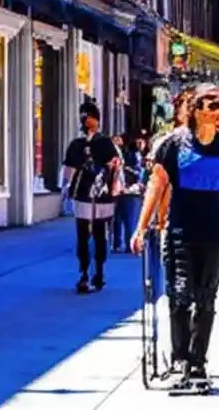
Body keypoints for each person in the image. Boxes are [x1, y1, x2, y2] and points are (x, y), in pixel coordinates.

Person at [131, 83, 219, 386]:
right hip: (181, 233)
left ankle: (198, 362)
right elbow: (156, 186)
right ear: (195, 110)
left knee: (206, 299)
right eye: (208, 105)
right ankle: (181, 358)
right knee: (180, 297)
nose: (215, 111)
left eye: (218, 105)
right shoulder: (174, 145)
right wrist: (141, 227)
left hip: (217, 234)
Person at [63, 101, 122, 293]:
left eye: (90, 116)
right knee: (82, 234)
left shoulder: (105, 142)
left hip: (101, 193)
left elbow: (115, 164)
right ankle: (84, 272)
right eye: (84, 116)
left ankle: (99, 271)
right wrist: (66, 187)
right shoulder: (76, 144)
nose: (86, 120)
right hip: (82, 192)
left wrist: (112, 178)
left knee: (99, 233)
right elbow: (69, 169)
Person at [112, 134, 146, 253]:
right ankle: (125, 243)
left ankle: (119, 243)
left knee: (120, 218)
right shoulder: (128, 154)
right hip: (128, 190)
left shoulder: (130, 154)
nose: (141, 144)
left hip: (123, 190)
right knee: (128, 219)